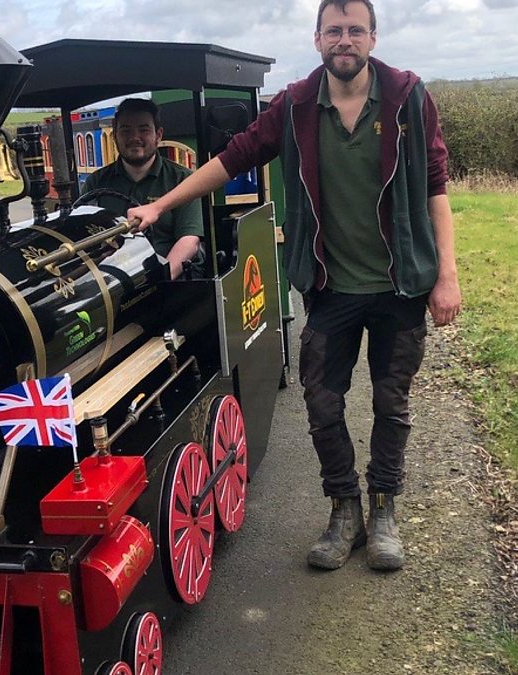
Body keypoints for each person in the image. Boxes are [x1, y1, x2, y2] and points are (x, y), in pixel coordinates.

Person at [128, 0, 461, 571]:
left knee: (391, 403)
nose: (344, 40)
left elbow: (436, 188)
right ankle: (344, 509)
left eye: (355, 30)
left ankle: (384, 509)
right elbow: (231, 160)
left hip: (400, 285)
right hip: (331, 287)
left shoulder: (408, 97)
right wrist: (161, 205)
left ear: (373, 38)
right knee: (322, 403)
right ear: (317, 40)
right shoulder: (296, 105)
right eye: (334, 31)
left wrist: (446, 275)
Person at [81, 98, 204, 279]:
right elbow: (83, 240)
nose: (134, 138)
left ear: (158, 135)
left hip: (171, 279)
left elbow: (189, 241)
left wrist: (158, 280)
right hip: (113, 281)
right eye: (126, 130)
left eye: (143, 129)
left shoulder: (182, 180)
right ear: (114, 135)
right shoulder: (95, 183)